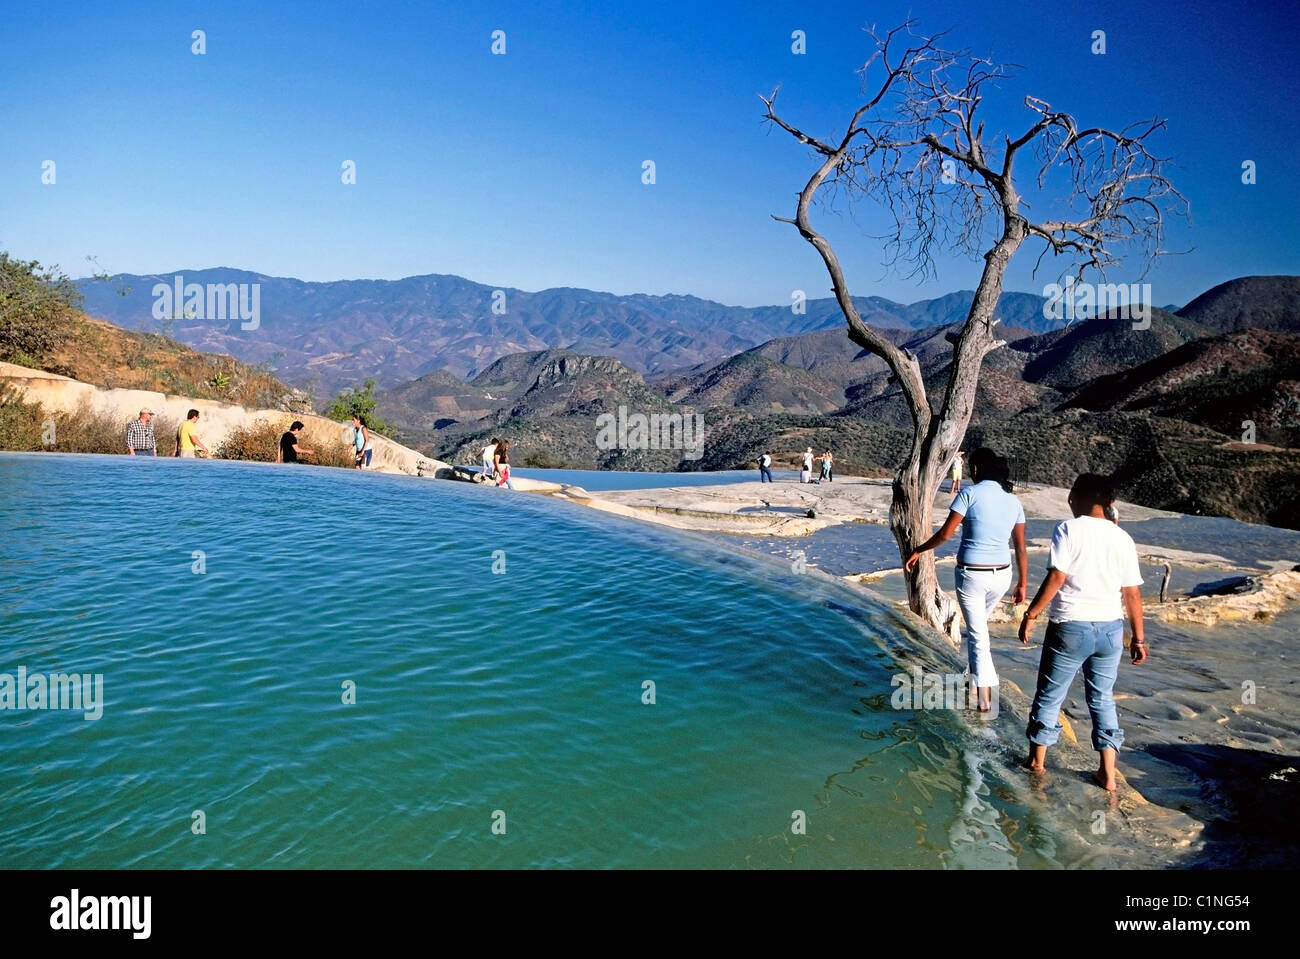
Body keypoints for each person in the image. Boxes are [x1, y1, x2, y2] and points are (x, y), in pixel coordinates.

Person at [1018, 473, 1147, 792]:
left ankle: (1037, 763)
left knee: (1050, 696)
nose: (1069, 500)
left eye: (1072, 494)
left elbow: (1056, 578)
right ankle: (1107, 774)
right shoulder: (1123, 539)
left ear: (1080, 498)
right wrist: (1139, 638)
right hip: (1110, 631)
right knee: (1102, 699)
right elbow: (1131, 593)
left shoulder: (1067, 529)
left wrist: (1031, 614)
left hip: (1071, 626)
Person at [904, 448, 1027, 712]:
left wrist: (919, 549)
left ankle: (984, 703)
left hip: (972, 575)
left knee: (978, 635)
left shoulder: (969, 494)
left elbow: (946, 534)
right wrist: (1023, 584)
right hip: (1002, 575)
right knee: (978, 631)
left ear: (975, 469)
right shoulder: (1013, 501)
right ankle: (973, 684)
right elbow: (1020, 547)